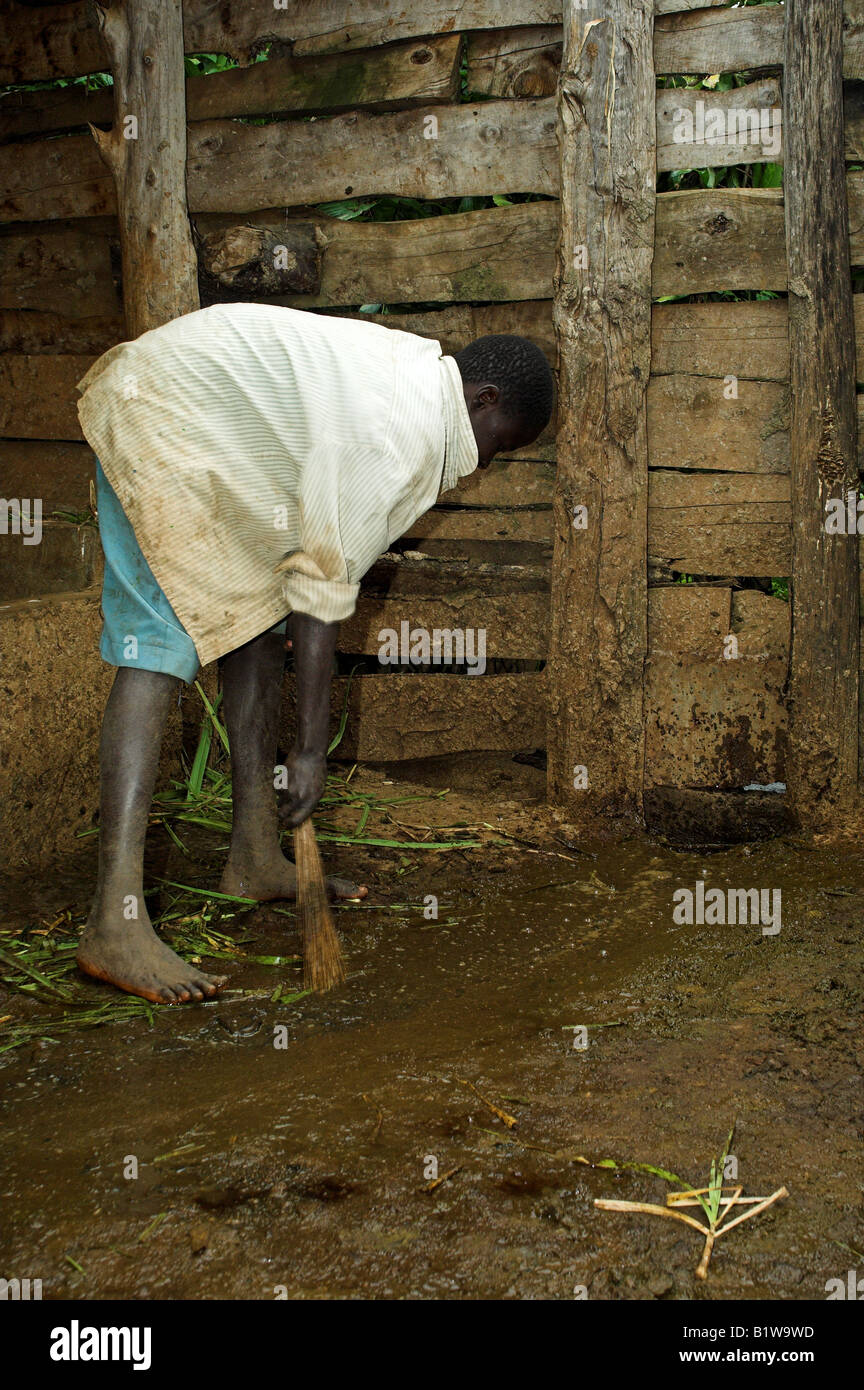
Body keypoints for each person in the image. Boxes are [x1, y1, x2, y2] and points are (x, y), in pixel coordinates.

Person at [73, 303, 555, 1003]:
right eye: (500, 444)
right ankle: (112, 923)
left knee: (257, 626)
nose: (487, 464)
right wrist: (308, 752)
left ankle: (253, 856)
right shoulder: (401, 430)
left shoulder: (417, 390)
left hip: (219, 442)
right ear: (484, 401)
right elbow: (324, 598)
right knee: (159, 644)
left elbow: (307, 589)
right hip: (161, 414)